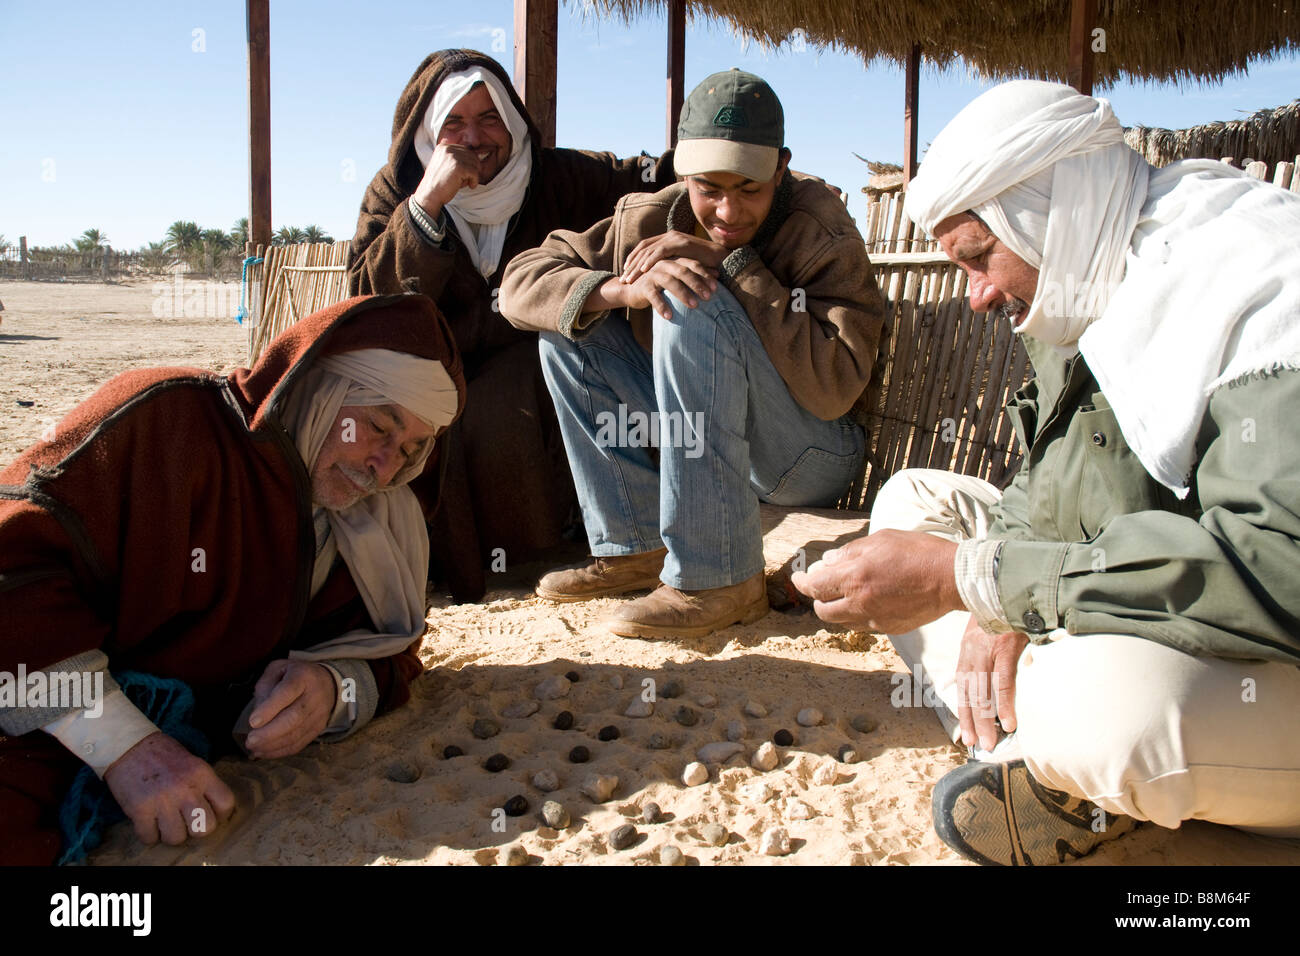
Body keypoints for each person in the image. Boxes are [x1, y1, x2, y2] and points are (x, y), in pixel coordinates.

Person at [791, 80, 1300, 865]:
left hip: (1267, 646)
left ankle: (1065, 756)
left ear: (1049, 210)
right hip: (1148, 590)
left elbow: (1277, 570)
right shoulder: (1087, 267)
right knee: (912, 500)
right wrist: (1000, 597)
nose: (977, 296)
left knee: (1110, 712)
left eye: (977, 258)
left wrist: (985, 583)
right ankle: (1033, 738)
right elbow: (1059, 482)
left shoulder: (1260, 279)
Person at [0, 293, 466, 865]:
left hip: (200, 752)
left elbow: (393, 654)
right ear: (321, 390)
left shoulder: (374, 524)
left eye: (411, 449)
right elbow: (12, 574)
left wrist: (332, 690)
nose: (385, 467)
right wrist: (124, 745)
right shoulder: (166, 426)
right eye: (376, 427)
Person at [500, 69, 885, 639]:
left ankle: (719, 578)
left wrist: (726, 262)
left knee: (689, 299)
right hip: (716, 442)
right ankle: (637, 546)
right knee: (568, 331)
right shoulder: (652, 216)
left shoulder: (820, 228)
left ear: (780, 167)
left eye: (749, 188)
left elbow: (834, 387)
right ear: (682, 171)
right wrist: (618, 290)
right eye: (709, 188)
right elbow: (519, 283)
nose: (727, 211)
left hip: (811, 455)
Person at [349, 49, 675, 602]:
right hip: (426, 368)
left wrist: (744, 172)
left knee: (506, 401)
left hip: (527, 366)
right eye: (454, 121)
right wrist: (427, 204)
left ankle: (537, 549)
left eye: (489, 118)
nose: (474, 138)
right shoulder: (400, 186)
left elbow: (656, 174)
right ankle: (444, 561)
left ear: (513, 122)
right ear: (428, 129)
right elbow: (365, 296)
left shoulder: (558, 176)